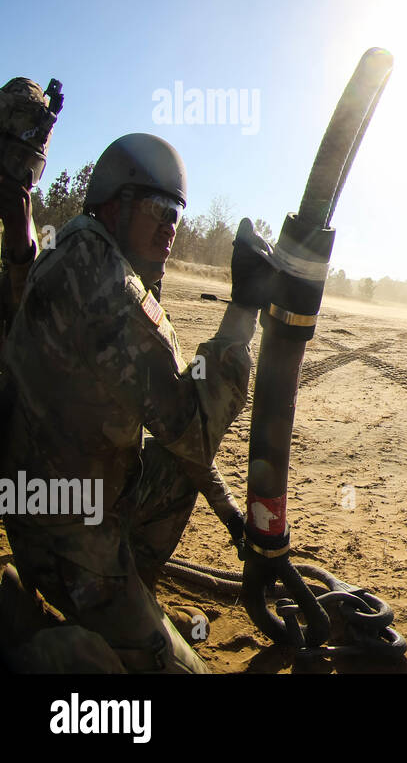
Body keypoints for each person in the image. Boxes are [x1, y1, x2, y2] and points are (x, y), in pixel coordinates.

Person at [0, 132, 276, 672]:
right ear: (116, 202)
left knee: (170, 465)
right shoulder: (104, 283)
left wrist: (230, 515)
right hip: (72, 546)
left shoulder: (77, 248)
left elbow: (184, 450)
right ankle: (45, 650)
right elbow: (192, 426)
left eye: (177, 211)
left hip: (55, 508)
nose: (172, 225)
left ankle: (121, 599)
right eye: (160, 207)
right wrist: (243, 308)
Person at [0, 77, 61, 349]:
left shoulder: (20, 218)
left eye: (32, 168)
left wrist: (22, 253)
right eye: (15, 162)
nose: (23, 181)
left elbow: (28, 330)